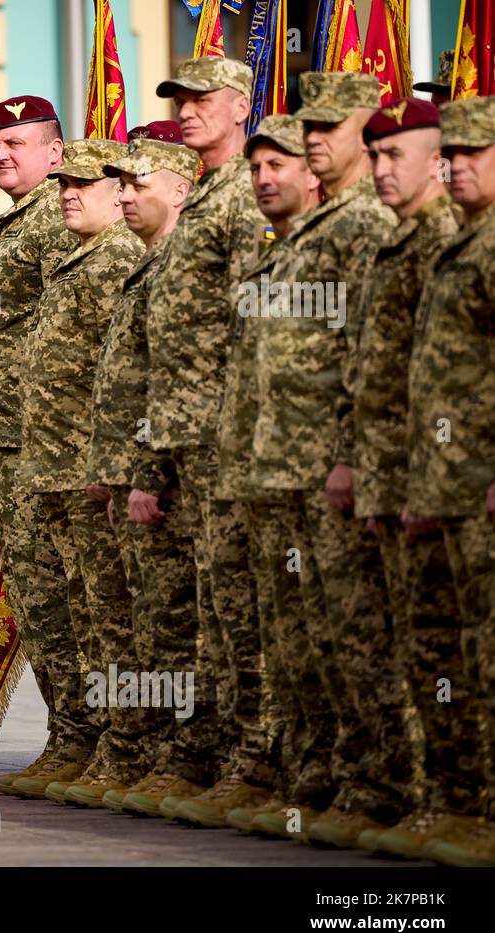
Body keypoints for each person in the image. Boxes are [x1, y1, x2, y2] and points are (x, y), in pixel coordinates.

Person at [246, 72, 403, 847]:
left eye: (330, 125)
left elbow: (367, 355)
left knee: (355, 634)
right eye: (307, 123)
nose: (313, 136)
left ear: (370, 129)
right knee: (301, 640)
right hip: (283, 466)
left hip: (329, 468)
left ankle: (378, 787)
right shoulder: (309, 231)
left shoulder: (366, 224)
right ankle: (322, 782)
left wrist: (346, 455)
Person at [122, 57, 268, 822]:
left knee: (240, 613)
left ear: (241, 105)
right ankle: (206, 758)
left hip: (228, 440)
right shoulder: (204, 198)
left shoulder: (247, 195)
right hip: (182, 443)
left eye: (201, 98)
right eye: (177, 100)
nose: (186, 110)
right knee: (205, 615)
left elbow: (251, 328)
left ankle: (255, 764)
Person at [0, 97, 95, 799]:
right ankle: (70, 738)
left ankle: (85, 741)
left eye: (16, 144)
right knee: (35, 594)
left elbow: (73, 316)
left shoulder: (58, 220)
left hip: (45, 439)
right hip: (10, 435)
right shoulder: (23, 221)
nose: (2, 155)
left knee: (58, 594)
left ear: (54, 153)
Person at [349, 98, 475, 858]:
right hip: (408, 480)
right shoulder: (403, 241)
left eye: (397, 156)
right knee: (421, 648)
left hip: (455, 482)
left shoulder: (452, 241)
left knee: (457, 651)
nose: (381, 169)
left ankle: (467, 801)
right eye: (377, 156)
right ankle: (439, 799)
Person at [7, 137, 147, 807]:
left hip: (88, 471)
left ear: (119, 191)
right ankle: (84, 740)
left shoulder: (116, 260)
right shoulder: (76, 258)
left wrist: (112, 467)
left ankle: (123, 746)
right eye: (63, 182)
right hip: (53, 468)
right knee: (77, 613)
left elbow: (118, 378)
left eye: (84, 183)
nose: (68, 192)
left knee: (107, 617)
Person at [84, 122, 208, 816]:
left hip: (172, 480)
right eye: (121, 184)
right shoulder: (145, 263)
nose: (123, 195)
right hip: (137, 475)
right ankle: (163, 756)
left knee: (178, 628)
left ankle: (188, 759)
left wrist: (148, 474)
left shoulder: (180, 263)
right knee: (150, 626)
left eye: (137, 183)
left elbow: (175, 379)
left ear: (180, 191)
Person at [215, 115, 326, 837]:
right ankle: (297, 778)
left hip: (322, 476)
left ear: (314, 170)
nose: (263, 178)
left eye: (279, 165)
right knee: (280, 634)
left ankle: (365, 787)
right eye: (257, 167)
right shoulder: (271, 253)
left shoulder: (344, 241)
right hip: (261, 472)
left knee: (335, 634)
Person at [403, 94, 495, 867]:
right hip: (446, 484)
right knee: (456, 650)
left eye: (473, 153)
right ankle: (464, 805)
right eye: (451, 154)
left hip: (480, 483)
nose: (455, 165)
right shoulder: (456, 243)